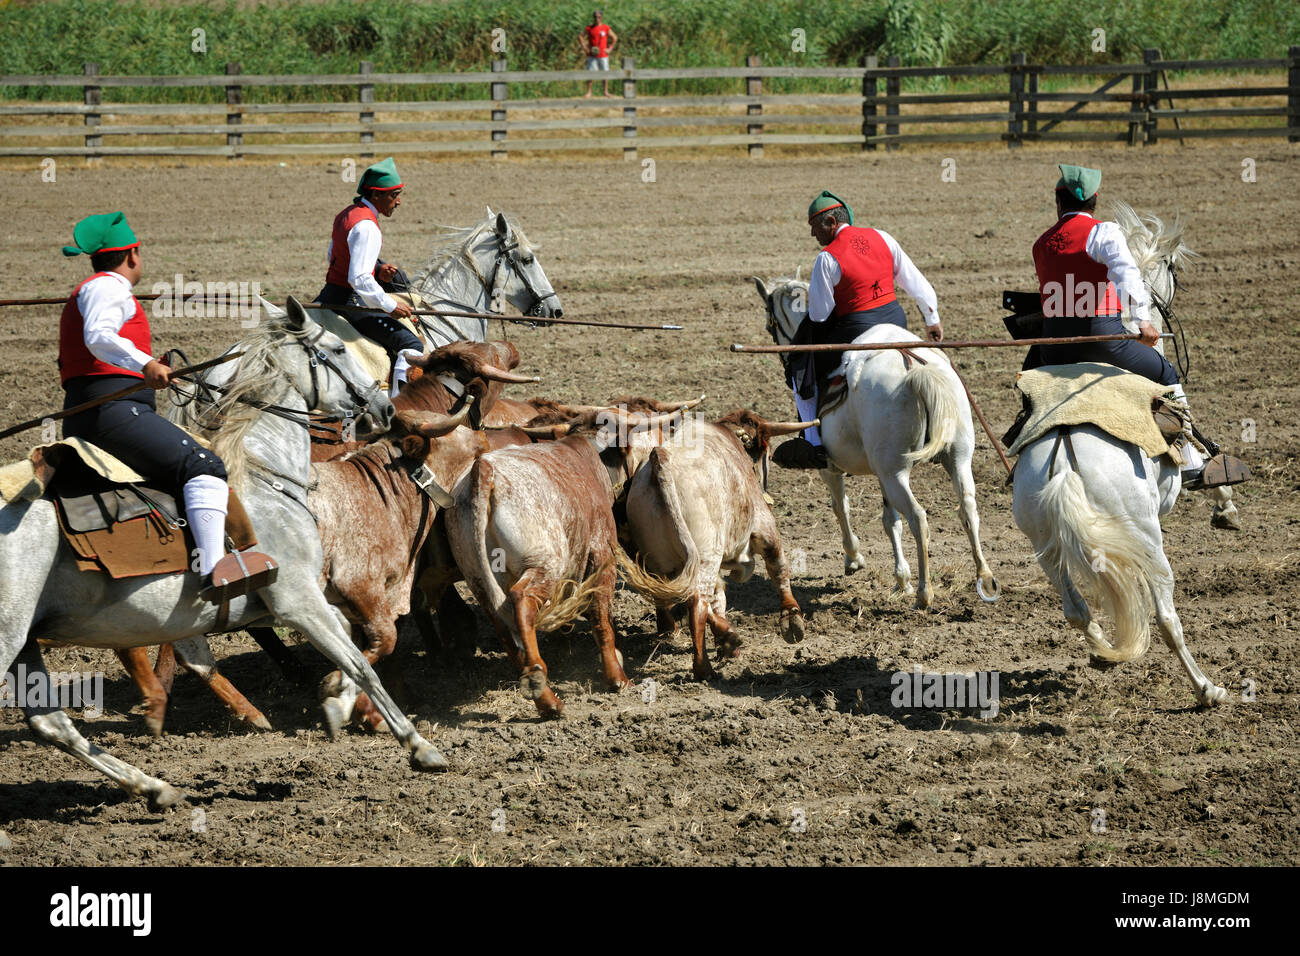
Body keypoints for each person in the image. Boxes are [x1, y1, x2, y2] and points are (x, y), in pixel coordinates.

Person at [58, 212, 271, 601]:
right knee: (203, 464)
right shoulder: (109, 288)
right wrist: (145, 364)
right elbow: (99, 337)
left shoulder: (93, 288)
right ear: (133, 255)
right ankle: (213, 572)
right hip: (114, 413)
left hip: (99, 410)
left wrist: (147, 365)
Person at [1023, 163, 1248, 490]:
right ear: (1094, 200)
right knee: (1165, 373)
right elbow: (1127, 273)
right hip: (1103, 341)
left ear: (1058, 201)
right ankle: (1190, 458)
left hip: (1052, 351)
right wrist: (1142, 319)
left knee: (1029, 385)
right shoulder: (1104, 232)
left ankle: (1024, 441)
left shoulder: (1041, 244)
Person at [774, 190, 944, 470]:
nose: (812, 235)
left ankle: (813, 442)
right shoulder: (883, 237)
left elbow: (819, 314)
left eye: (814, 227)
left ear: (830, 221)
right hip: (895, 322)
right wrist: (931, 318)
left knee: (799, 364)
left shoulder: (827, 258)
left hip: (856, 329)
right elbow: (915, 281)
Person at [315, 157, 423, 394]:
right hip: (350, 302)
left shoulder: (347, 214)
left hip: (329, 294)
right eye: (394, 195)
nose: (399, 201)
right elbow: (359, 279)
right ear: (376, 195)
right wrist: (389, 305)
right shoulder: (367, 226)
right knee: (411, 344)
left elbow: (334, 255)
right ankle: (399, 408)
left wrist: (376, 269)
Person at [580, 10, 619, 98]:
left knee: (605, 73)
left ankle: (605, 92)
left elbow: (615, 38)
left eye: (599, 17)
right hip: (592, 55)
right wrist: (585, 48)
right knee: (590, 73)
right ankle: (589, 92)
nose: (597, 19)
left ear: (601, 18)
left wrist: (610, 49)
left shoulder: (605, 28)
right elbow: (580, 36)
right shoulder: (589, 28)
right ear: (593, 18)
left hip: (603, 55)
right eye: (595, 17)